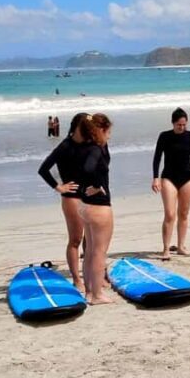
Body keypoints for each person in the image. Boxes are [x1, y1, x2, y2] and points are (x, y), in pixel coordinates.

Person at [38, 113, 87, 289]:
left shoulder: (90, 145)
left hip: (89, 196)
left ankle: (90, 275)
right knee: (76, 239)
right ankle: (76, 279)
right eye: (86, 127)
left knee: (90, 239)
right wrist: (58, 187)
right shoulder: (65, 146)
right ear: (76, 128)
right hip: (72, 197)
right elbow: (43, 169)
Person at [151, 107, 190, 260]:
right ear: (173, 123)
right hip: (168, 177)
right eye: (179, 125)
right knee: (170, 214)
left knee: (184, 213)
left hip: (187, 177)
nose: (182, 127)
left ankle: (181, 246)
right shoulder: (164, 136)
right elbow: (157, 158)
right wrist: (155, 178)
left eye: (184, 125)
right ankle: (166, 249)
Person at [78, 113, 114, 304]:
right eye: (108, 132)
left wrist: (84, 189)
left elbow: (78, 171)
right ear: (100, 130)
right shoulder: (95, 150)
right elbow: (89, 169)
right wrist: (98, 185)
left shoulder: (84, 147)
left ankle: (90, 292)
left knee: (91, 250)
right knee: (99, 252)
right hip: (99, 207)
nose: (110, 136)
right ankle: (97, 295)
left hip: (84, 205)